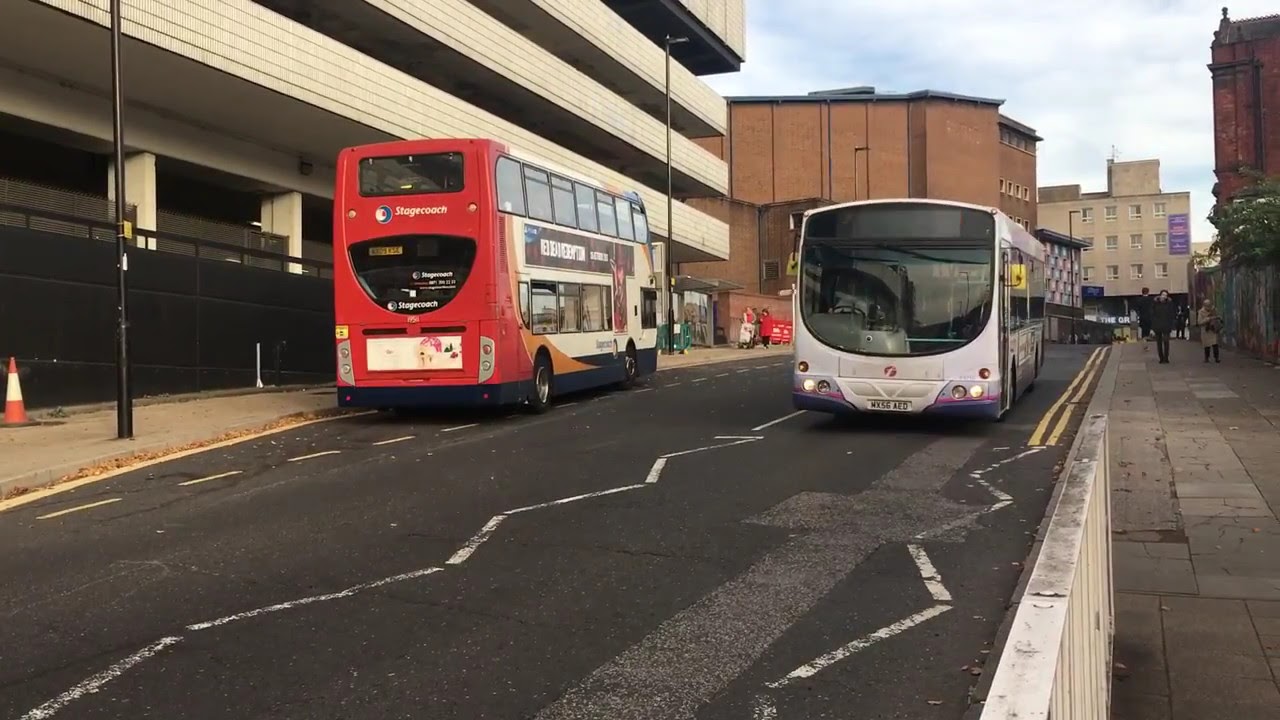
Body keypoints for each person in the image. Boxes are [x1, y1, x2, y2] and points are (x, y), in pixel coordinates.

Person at [1150, 290, 1175, 363]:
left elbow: (1171, 315)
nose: (1164, 296)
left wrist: (1172, 326)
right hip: (1157, 325)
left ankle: (1166, 358)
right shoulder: (1155, 303)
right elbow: (1152, 315)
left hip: (1166, 325)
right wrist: (1153, 327)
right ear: (1160, 295)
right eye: (1163, 294)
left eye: (1166, 295)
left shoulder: (1169, 304)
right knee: (1159, 342)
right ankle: (1161, 358)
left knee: (1166, 341)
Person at [1197, 299, 1222, 363]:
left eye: (1209, 305)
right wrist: (1208, 319)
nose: (1208, 307)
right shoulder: (1201, 312)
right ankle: (1206, 358)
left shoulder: (1214, 310)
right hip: (1206, 330)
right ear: (1204, 305)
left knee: (1215, 344)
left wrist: (1217, 318)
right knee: (1207, 345)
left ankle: (1216, 358)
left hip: (1213, 329)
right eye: (1207, 306)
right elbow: (1199, 322)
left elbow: (1218, 316)